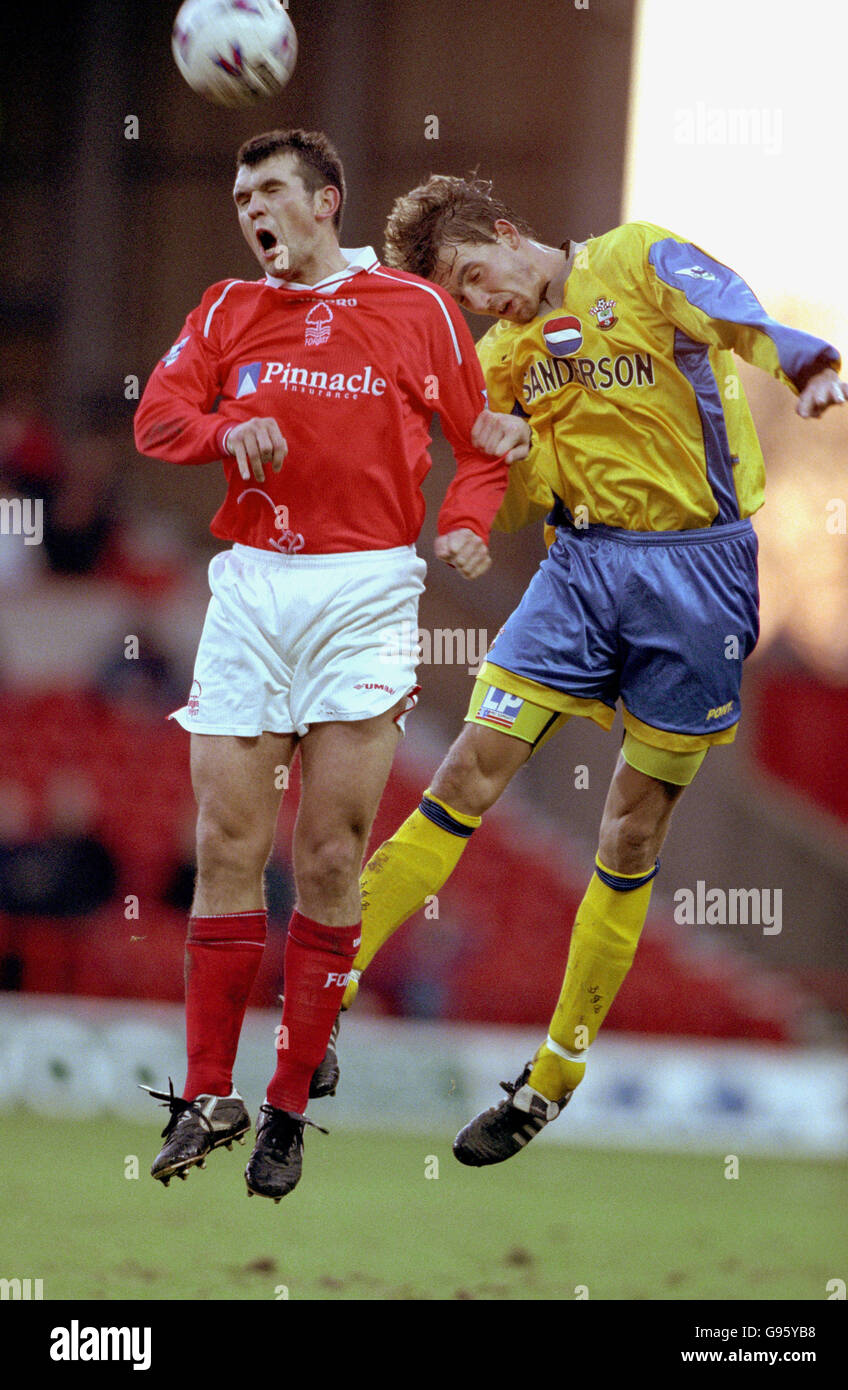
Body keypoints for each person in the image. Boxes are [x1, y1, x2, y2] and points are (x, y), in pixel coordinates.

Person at [316, 174, 848, 1166]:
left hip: (696, 577)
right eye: (463, 297)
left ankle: (551, 1077)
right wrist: (481, 513)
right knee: (463, 774)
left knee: (628, 827)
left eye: (478, 277)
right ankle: (325, 994)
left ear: (510, 233)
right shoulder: (502, 359)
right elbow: (504, 487)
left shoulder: (634, 260)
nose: (485, 303)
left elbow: (737, 316)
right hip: (576, 577)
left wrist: (807, 363)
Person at [133, 134, 530, 1201]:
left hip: (362, 595)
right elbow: (156, 416)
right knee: (225, 840)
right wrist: (228, 424)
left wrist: (461, 521)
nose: (249, 209)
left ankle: (289, 1106)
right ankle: (208, 1091)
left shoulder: (414, 307)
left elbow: (484, 437)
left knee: (326, 858)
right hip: (255, 588)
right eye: (236, 195)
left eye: (267, 191)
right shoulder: (225, 309)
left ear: (323, 201)